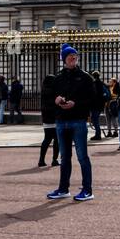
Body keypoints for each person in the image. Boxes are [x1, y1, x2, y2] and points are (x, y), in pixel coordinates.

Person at [47, 45, 95, 201]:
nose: (73, 58)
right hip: (62, 120)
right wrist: (57, 100)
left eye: (75, 56)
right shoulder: (58, 78)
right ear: (64, 59)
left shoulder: (86, 77)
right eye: (70, 56)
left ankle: (87, 190)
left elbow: (93, 100)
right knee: (64, 158)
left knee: (82, 157)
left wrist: (76, 103)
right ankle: (63, 189)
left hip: (78, 120)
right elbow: (51, 96)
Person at [39, 74, 60, 167]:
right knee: (57, 140)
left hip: (46, 117)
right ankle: (54, 159)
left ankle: (41, 160)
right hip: (55, 117)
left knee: (46, 139)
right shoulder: (55, 91)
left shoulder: (43, 91)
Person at [88, 70, 106, 140]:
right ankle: (97, 134)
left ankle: (98, 134)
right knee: (95, 119)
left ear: (93, 76)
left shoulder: (94, 83)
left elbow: (93, 94)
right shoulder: (101, 83)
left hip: (95, 104)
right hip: (100, 104)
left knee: (95, 120)